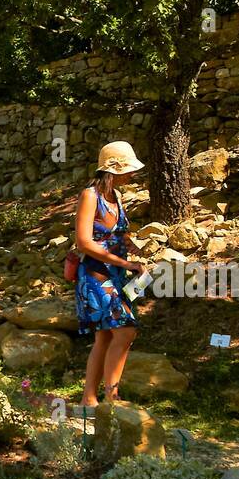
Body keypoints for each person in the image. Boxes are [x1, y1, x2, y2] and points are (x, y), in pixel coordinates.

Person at [74, 140, 147, 410]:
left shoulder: (116, 196)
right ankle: (112, 398)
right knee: (126, 331)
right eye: (128, 169)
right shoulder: (90, 195)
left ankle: (89, 399)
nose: (132, 174)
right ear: (113, 169)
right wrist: (123, 263)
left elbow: (116, 233)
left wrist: (130, 246)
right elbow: (84, 242)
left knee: (105, 336)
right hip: (95, 274)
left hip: (117, 273)